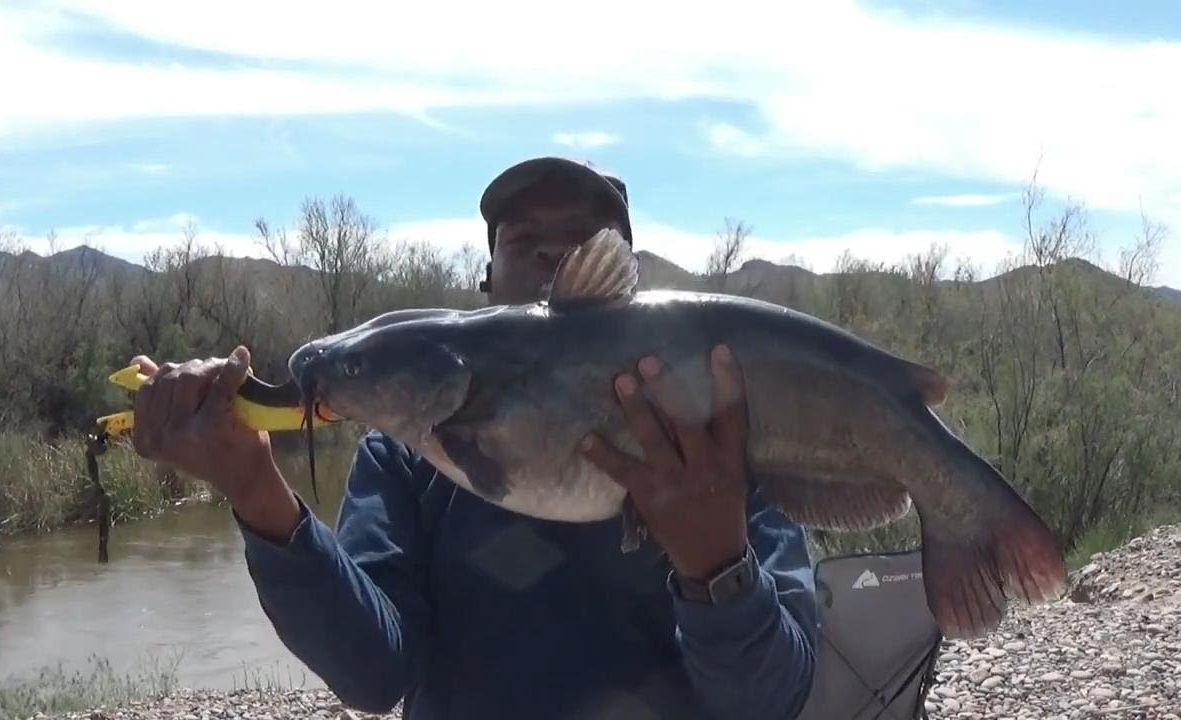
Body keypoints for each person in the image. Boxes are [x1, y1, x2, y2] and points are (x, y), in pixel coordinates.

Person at [129, 157, 819, 719]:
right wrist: (256, 491)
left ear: (625, 282)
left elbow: (773, 699)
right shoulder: (406, 451)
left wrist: (718, 568)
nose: (552, 249)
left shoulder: (720, 431)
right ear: (486, 280)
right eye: (523, 238)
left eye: (584, 235)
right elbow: (372, 671)